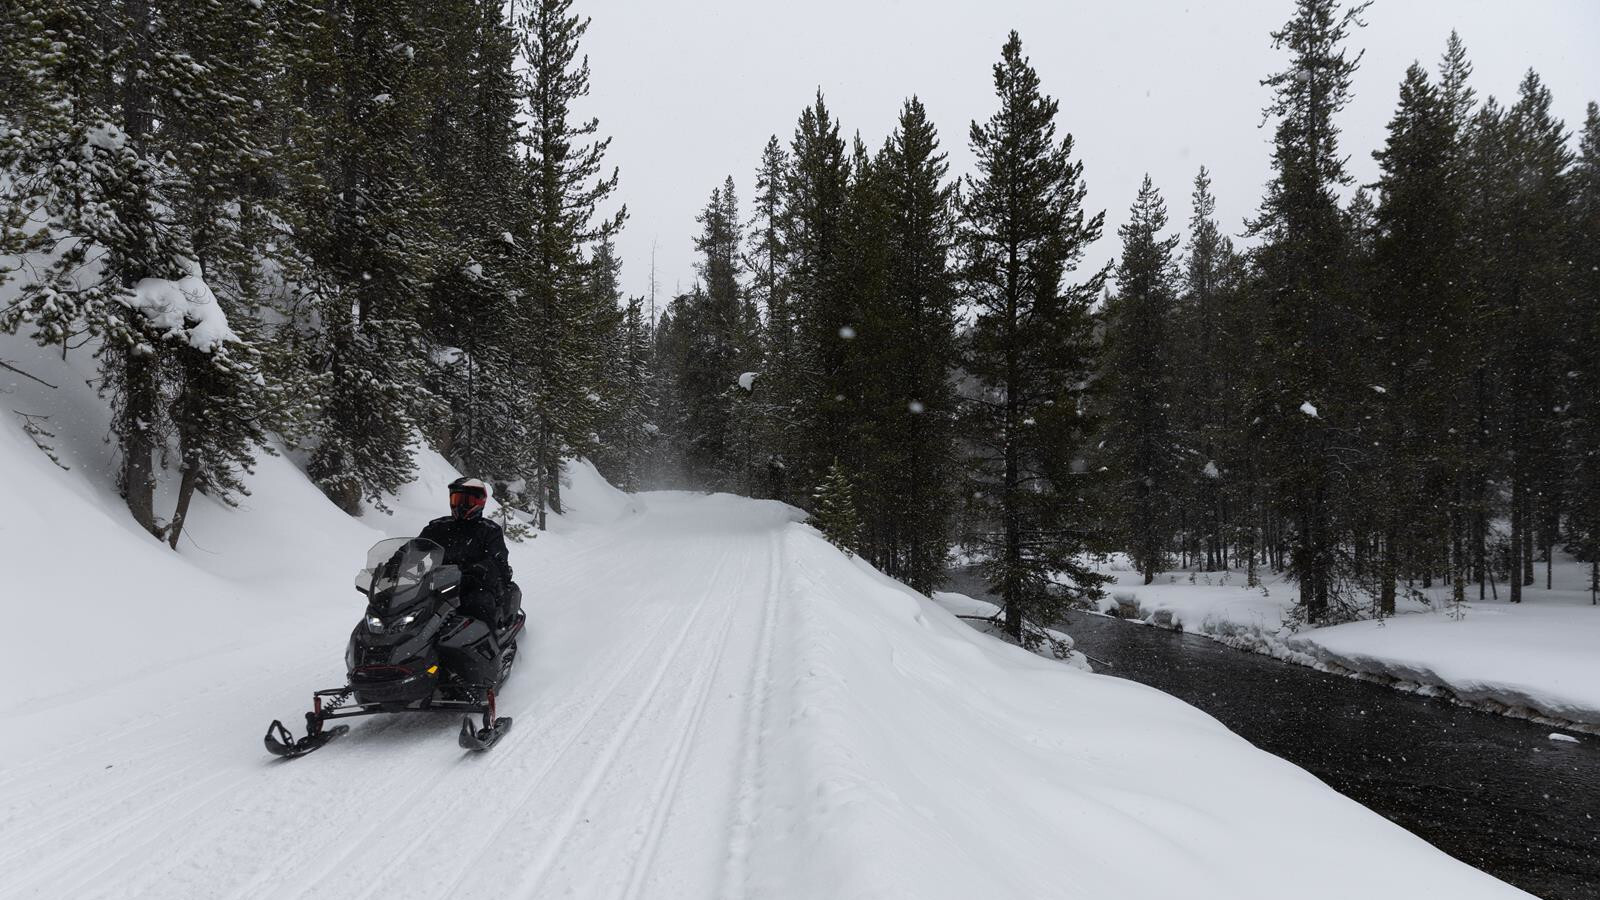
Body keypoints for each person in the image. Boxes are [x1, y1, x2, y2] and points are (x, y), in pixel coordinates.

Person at [418, 477, 521, 627]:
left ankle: (487, 647)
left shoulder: (489, 530)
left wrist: (480, 569)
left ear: (479, 502)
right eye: (456, 500)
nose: (460, 505)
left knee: (479, 606)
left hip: (474, 587)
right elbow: (416, 548)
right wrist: (394, 564)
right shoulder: (438, 527)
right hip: (438, 586)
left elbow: (499, 562)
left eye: (467, 501)